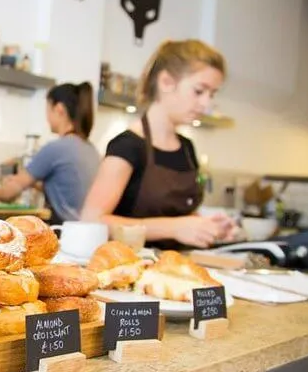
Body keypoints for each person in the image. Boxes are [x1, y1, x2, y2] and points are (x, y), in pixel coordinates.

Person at [81, 39, 236, 249]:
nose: (206, 104)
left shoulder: (187, 148)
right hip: (130, 267)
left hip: (176, 267)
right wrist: (175, 228)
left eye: (212, 94)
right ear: (166, 82)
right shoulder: (127, 146)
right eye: (199, 91)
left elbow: (175, 215)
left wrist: (206, 226)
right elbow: (92, 220)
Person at [0, 82, 100, 224]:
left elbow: (9, 193)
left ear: (59, 109)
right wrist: (32, 183)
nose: (47, 117)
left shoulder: (55, 148)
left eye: (48, 110)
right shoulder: (90, 149)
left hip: (65, 231)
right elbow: (68, 190)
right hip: (88, 233)